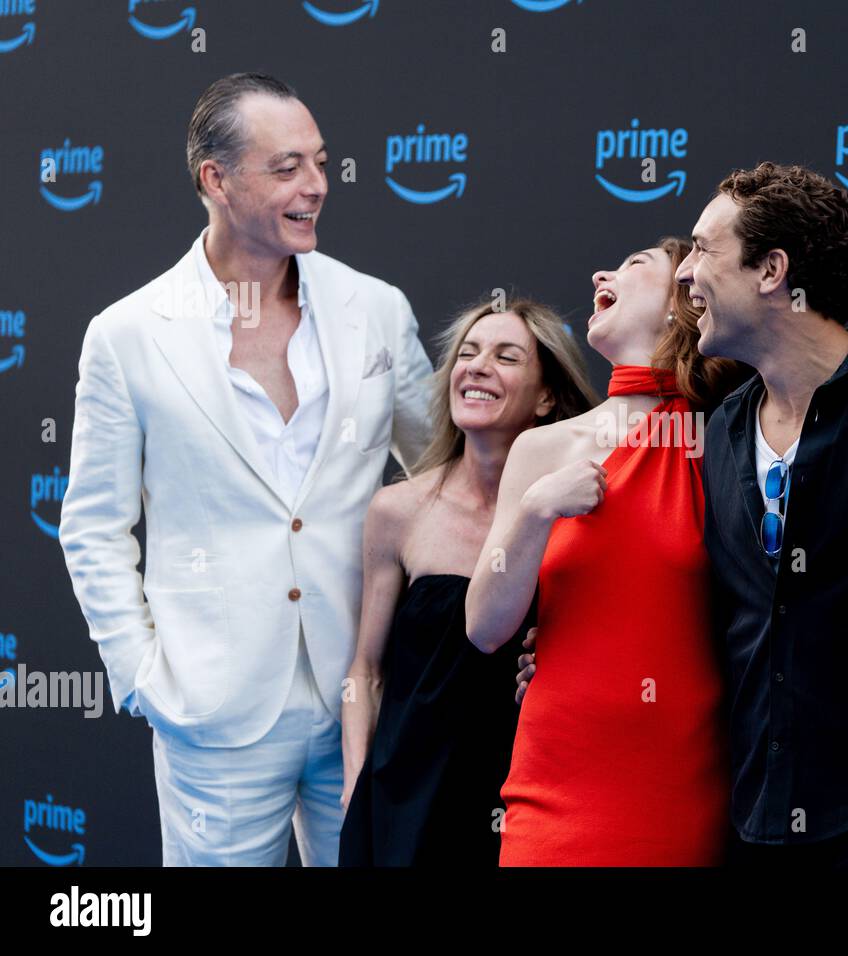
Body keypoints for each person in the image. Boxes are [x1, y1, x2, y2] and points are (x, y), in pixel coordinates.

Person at [58, 72, 436, 866]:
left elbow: (443, 469)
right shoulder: (128, 335)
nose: (316, 187)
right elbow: (92, 526)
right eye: (288, 166)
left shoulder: (375, 308)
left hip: (362, 696)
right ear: (216, 179)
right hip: (214, 715)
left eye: (323, 163)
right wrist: (145, 681)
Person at [675, 162, 848, 866]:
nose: (684, 274)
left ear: (772, 270)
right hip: (753, 823)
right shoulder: (721, 433)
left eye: (703, 250)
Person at [467, 238, 747, 866]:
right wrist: (538, 508)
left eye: (635, 265)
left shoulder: (726, 440)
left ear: (682, 305)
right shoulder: (541, 451)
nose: (601, 272)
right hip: (555, 781)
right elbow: (484, 628)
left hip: (679, 787)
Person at [338, 298, 597, 867]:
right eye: (467, 354)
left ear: (547, 396)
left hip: (534, 796)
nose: (476, 367)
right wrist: (360, 786)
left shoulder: (578, 512)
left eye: (506, 357)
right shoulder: (397, 510)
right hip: (407, 803)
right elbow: (366, 669)